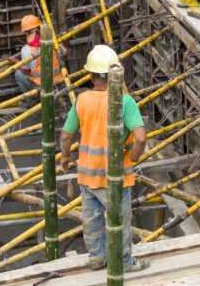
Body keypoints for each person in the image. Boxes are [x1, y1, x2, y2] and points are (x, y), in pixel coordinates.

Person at [59, 45, 150, 272]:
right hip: (116, 176)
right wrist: (135, 157)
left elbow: (65, 135)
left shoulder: (81, 100)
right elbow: (140, 137)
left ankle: (97, 258)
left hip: (88, 174)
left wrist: (66, 156)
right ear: (116, 74)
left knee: (92, 220)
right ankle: (124, 261)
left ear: (91, 75)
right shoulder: (125, 102)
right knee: (119, 221)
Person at [13, 15, 67, 101]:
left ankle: (30, 101)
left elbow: (26, 70)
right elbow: (65, 55)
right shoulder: (55, 41)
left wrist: (17, 63)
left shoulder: (26, 49)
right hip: (59, 82)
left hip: (42, 86)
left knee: (18, 74)